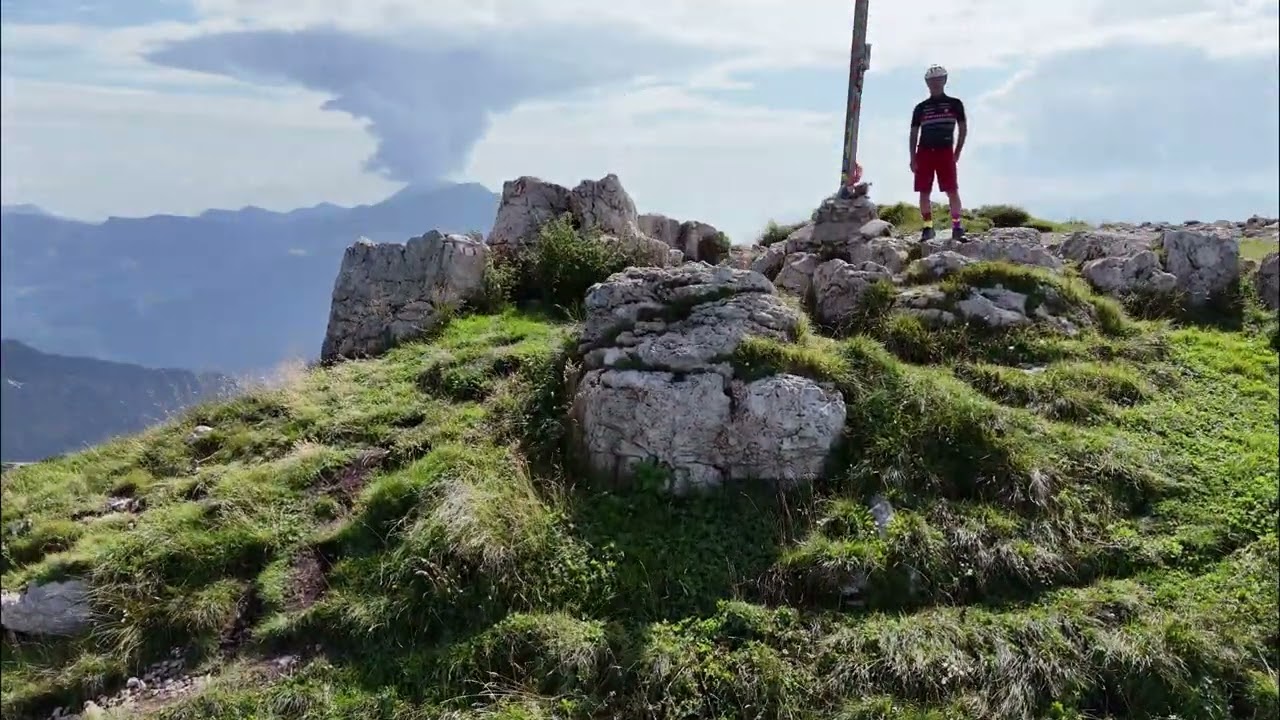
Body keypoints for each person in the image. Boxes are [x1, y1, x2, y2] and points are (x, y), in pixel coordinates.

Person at [909, 64, 967, 241]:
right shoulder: (921, 108)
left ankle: (957, 227)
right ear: (927, 83)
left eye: (938, 80)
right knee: (924, 190)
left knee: (952, 190)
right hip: (924, 152)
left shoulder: (955, 104)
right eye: (932, 81)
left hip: (945, 151)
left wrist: (957, 151)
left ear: (944, 81)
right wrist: (913, 157)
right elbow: (913, 133)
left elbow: (963, 129)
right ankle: (928, 227)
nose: (935, 84)